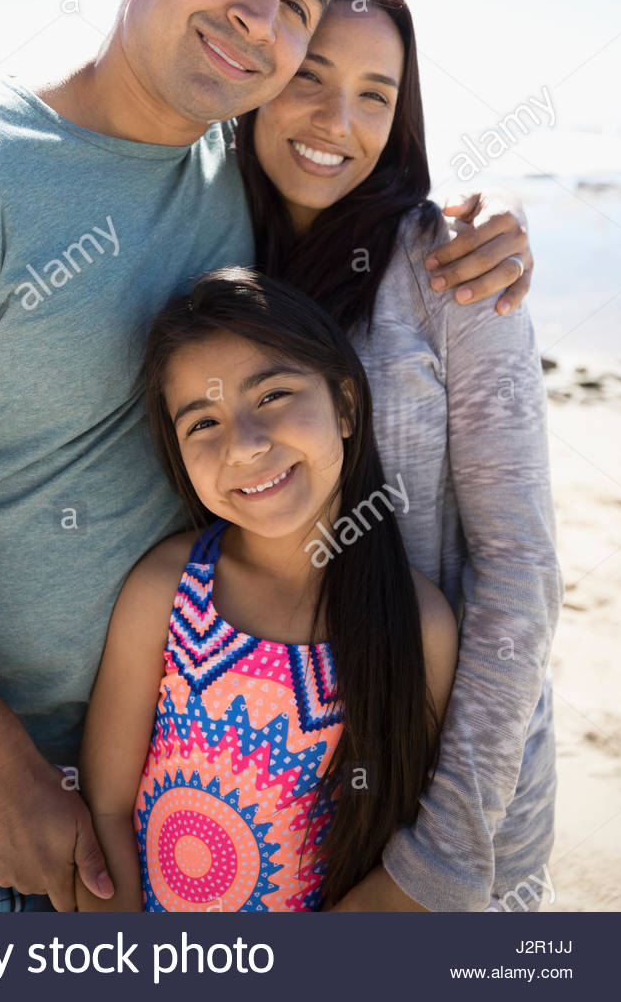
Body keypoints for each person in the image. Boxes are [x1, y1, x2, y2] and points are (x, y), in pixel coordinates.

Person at [0, 0, 532, 913]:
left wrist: (477, 233)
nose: (259, 17)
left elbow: (347, 191)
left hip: (206, 767)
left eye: (296, 1)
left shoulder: (233, 180)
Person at [228, 0, 562, 912]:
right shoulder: (219, 254)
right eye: (311, 77)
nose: (339, 120)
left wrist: (444, 853)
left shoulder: (447, 263)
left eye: (376, 93)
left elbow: (522, 565)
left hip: (447, 783)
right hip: (272, 766)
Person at [75, 268, 459, 912]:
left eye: (273, 395)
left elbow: (396, 851)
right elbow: (107, 808)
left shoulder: (417, 624)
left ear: (344, 403)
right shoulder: (167, 589)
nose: (246, 445)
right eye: (202, 424)